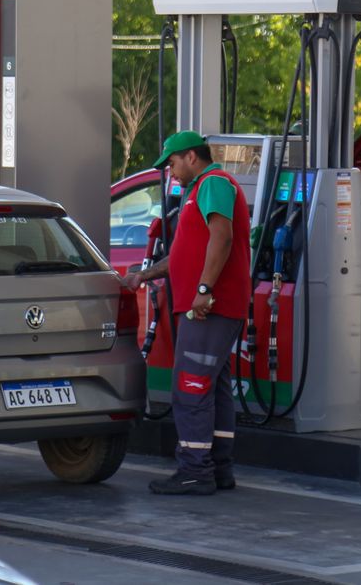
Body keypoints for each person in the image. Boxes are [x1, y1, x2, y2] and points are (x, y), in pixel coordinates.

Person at [122, 130, 251, 495]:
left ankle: (195, 470)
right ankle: (219, 468)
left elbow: (221, 237)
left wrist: (204, 290)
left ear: (192, 157)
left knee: (191, 386)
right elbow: (182, 255)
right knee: (214, 387)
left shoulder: (213, 184)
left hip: (210, 307)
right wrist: (143, 276)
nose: (171, 173)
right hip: (212, 305)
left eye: (173, 163)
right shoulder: (199, 192)